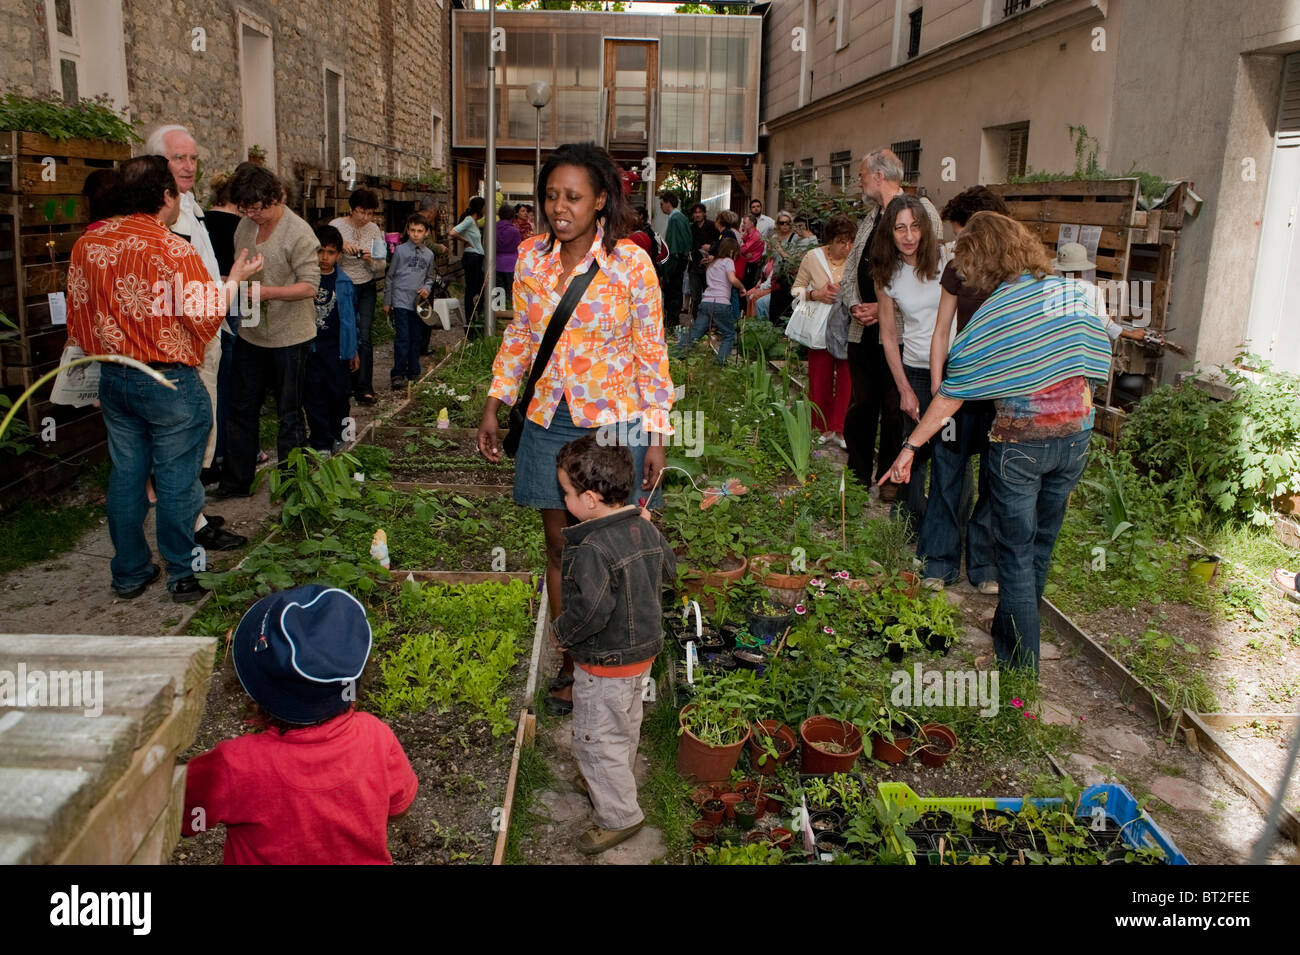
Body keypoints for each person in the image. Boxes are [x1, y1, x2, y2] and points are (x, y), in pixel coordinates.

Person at [478, 142, 673, 717]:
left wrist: (657, 436)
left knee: (613, 541)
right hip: (545, 417)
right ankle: (569, 654)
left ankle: (619, 652)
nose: (559, 206)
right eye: (551, 195)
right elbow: (520, 340)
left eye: (573, 196)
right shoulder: (534, 258)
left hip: (611, 423)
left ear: (600, 202)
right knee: (559, 543)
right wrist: (494, 402)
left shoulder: (631, 264)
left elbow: (651, 353)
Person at [878, 211, 1111, 672]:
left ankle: (1020, 666)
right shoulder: (1072, 293)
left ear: (980, 260)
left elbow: (952, 393)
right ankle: (1013, 635)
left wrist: (909, 448)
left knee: (1017, 554)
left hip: (1022, 445)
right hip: (1077, 439)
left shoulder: (997, 311)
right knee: (1041, 545)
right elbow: (1097, 354)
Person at [66, 156, 262, 601]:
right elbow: (206, 319)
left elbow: (78, 322)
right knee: (177, 481)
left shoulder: (88, 245)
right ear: (166, 197)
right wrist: (233, 279)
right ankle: (182, 573)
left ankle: (130, 573)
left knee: (127, 476)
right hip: (170, 380)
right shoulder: (173, 248)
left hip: (115, 378)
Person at [180, 584, 418, 864]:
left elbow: (180, 819)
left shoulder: (234, 765)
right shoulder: (376, 736)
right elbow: (398, 808)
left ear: (253, 691)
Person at [551, 435, 676, 854]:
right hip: (642, 655)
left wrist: (562, 632)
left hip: (605, 662)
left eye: (565, 493)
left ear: (588, 499)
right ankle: (616, 777)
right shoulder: (643, 524)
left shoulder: (592, 548)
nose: (563, 500)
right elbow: (670, 571)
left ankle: (619, 817)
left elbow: (592, 612)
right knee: (624, 723)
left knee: (594, 740)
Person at [148, 125, 247, 551]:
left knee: (202, 426)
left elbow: (201, 270)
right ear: (159, 164)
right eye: (178, 159)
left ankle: (195, 511)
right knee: (188, 431)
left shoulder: (187, 203)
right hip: (187, 336)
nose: (188, 166)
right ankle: (190, 528)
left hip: (210, 326)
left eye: (192, 158)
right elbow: (173, 291)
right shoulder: (161, 216)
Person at [214, 164, 321, 499]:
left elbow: (309, 287)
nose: (254, 215)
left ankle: (292, 487)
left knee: (289, 413)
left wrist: (266, 293)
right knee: (241, 408)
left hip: (291, 338)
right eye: (247, 208)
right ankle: (236, 481)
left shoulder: (298, 233)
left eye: (260, 208)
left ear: (278, 197)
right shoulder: (244, 227)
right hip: (251, 334)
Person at [921, 186, 1009, 595]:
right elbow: (941, 331)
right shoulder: (957, 268)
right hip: (960, 386)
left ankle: (986, 565)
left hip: (1002, 395)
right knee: (947, 476)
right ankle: (938, 562)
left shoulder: (1016, 272)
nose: (957, 240)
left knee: (995, 479)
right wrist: (939, 386)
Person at [871, 195, 949, 534]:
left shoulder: (948, 259)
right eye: (900, 228)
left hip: (954, 369)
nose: (908, 236)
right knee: (912, 450)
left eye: (915, 227)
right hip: (915, 369)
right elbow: (888, 336)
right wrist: (903, 389)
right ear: (890, 232)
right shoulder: (886, 273)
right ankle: (908, 527)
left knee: (951, 450)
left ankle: (946, 530)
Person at [793, 214, 857, 445]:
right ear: (830, 240)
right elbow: (796, 290)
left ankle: (840, 427)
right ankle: (820, 427)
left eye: (850, 241)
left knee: (847, 376)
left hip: (848, 325)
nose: (846, 247)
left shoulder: (856, 258)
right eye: (841, 241)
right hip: (819, 326)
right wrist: (816, 294)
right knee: (819, 376)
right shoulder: (813, 257)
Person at [305, 226, 359, 453]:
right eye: (320, 251)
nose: (324, 258)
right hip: (310, 347)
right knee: (313, 396)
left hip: (336, 348)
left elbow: (351, 320)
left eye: (330, 252)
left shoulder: (344, 283)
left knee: (339, 394)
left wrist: (353, 350)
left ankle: (341, 435)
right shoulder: (306, 279)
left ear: (339, 255)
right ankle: (320, 442)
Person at [330, 189, 386, 406]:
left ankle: (364, 387)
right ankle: (342, 384)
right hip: (342, 285)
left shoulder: (374, 230)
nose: (365, 218)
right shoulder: (336, 226)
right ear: (351, 209)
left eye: (370, 213)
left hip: (366, 286)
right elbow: (324, 258)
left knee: (364, 335)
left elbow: (381, 266)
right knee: (342, 332)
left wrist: (370, 260)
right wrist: (341, 248)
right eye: (361, 212)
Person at [1052, 242, 1148, 345]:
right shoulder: (1092, 290)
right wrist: (1131, 334)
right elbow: (1104, 323)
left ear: (1061, 269)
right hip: (1077, 343)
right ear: (1082, 267)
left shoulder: (1053, 287)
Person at [674, 235, 745, 365]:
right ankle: (720, 363)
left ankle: (676, 354)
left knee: (696, 332)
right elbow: (732, 279)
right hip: (721, 303)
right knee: (728, 334)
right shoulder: (728, 262)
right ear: (731, 251)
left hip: (706, 302)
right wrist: (742, 288)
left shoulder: (712, 263)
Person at [384, 213, 436, 390]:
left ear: (426, 233)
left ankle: (413, 370)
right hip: (400, 300)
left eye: (419, 231)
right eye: (412, 230)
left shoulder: (429, 255)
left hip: (417, 303)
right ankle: (398, 373)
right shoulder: (400, 251)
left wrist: (427, 289)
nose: (415, 234)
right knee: (402, 338)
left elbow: (430, 277)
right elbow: (390, 276)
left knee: (416, 337)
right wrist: (387, 300)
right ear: (407, 230)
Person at [451, 195, 487, 333]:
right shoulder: (469, 220)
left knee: (477, 288)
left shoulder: (475, 222)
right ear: (480, 207)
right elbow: (453, 232)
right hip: (472, 257)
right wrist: (464, 240)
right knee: (472, 289)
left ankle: (474, 317)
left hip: (476, 257)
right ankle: (470, 321)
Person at [659, 191, 691, 330]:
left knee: (673, 293)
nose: (661, 207)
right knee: (676, 292)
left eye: (662, 204)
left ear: (668, 203)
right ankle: (673, 321)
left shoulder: (675, 219)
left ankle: (672, 322)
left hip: (676, 261)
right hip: (681, 260)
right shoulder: (681, 217)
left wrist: (667, 267)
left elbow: (673, 247)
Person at [765, 210, 800, 323]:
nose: (785, 225)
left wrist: (779, 248)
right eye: (782, 223)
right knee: (774, 308)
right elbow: (770, 257)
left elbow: (793, 259)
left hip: (789, 277)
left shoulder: (795, 238)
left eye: (787, 223)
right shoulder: (774, 237)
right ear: (777, 224)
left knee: (787, 308)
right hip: (777, 277)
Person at [687, 202, 720, 321]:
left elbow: (720, 242)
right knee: (695, 295)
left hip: (710, 265)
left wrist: (711, 249)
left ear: (704, 213)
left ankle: (710, 320)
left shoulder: (712, 226)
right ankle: (696, 320)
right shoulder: (691, 228)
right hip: (695, 265)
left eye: (700, 212)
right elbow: (689, 246)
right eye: (695, 213)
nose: (697, 215)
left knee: (709, 293)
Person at [496, 201, 522, 299]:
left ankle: (498, 312)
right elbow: (518, 246)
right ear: (512, 216)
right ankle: (508, 311)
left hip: (496, 263)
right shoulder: (515, 231)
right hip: (511, 265)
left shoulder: (492, 228)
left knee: (498, 295)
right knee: (510, 294)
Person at [736, 213, 766, 290]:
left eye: (745, 223)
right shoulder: (749, 234)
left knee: (748, 287)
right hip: (748, 264)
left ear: (752, 224)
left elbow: (742, 250)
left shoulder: (755, 235)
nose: (743, 225)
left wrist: (742, 239)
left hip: (753, 266)